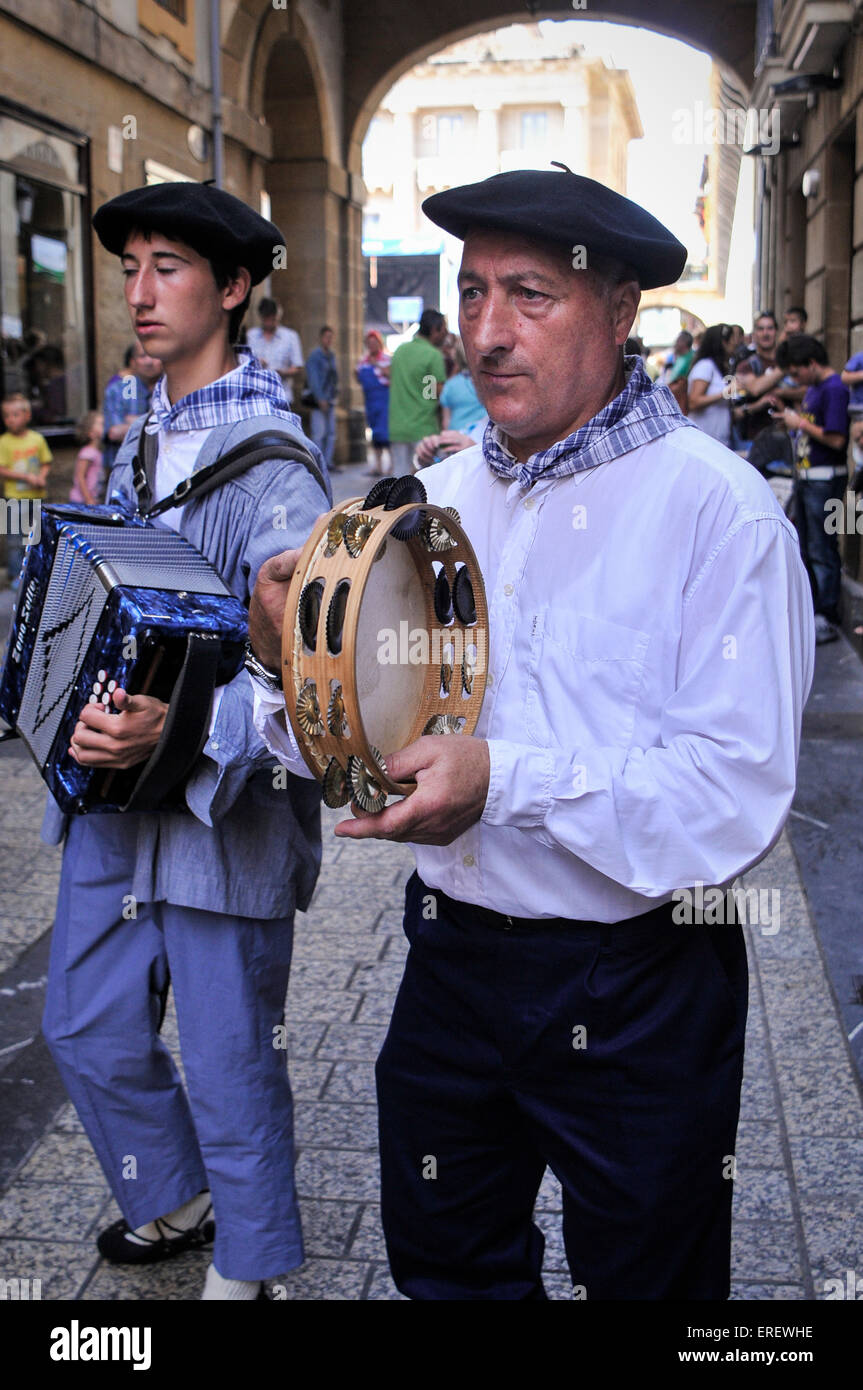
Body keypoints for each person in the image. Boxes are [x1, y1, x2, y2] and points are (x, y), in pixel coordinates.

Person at [247, 166, 814, 1301]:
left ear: (617, 313)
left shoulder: (719, 510)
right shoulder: (434, 499)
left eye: (529, 296)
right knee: (448, 1264)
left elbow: (729, 797)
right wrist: (283, 655)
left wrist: (500, 778)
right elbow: (349, 738)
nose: (486, 336)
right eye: (469, 296)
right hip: (451, 961)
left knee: (652, 1279)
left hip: (638, 983)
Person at [40, 181, 330, 1301]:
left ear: (235, 287)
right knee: (84, 1021)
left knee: (225, 1060)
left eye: (168, 266)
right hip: (114, 798)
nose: (140, 290)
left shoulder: (274, 468)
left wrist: (192, 713)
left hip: (224, 815)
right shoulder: (141, 437)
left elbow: (306, 673)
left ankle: (251, 1270)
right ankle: (178, 1191)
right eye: (129, 268)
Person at [774, 333, 850, 645]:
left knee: (822, 548)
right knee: (808, 546)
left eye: (796, 372)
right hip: (810, 478)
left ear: (812, 363)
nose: (795, 379)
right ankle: (815, 610)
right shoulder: (818, 387)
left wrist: (799, 424)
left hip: (824, 479)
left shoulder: (833, 388)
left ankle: (827, 616)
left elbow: (836, 439)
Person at [388, 308, 447, 477]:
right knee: (429, 481)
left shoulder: (400, 351)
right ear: (435, 330)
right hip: (423, 427)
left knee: (399, 481)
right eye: (443, 329)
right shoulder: (432, 355)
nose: (445, 334)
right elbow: (433, 392)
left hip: (397, 426)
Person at [0, 392, 52, 585]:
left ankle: (35, 573)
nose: (10, 420)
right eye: (6, 416)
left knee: (35, 537)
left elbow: (46, 462)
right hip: (13, 498)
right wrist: (25, 477)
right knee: (14, 540)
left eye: (15, 415)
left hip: (36, 496)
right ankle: (16, 576)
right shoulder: (4, 442)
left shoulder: (37, 439)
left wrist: (41, 477)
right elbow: (2, 469)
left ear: (27, 415)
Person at [102, 342, 161, 470]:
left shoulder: (173, 388)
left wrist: (135, 421)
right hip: (126, 471)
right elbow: (114, 433)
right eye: (142, 356)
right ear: (133, 362)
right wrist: (159, 423)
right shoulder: (120, 389)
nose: (149, 362)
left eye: (154, 356)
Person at [246, 297, 304, 407]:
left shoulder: (290, 337)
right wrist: (256, 362)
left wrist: (283, 372)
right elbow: (243, 363)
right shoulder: (251, 336)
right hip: (258, 397)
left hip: (282, 396)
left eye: (272, 319)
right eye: (266, 319)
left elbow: (298, 366)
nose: (269, 323)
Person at [687, 324, 733, 446]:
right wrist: (725, 393)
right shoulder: (705, 366)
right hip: (703, 441)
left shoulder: (721, 367)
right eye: (731, 339)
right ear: (722, 342)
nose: (735, 343)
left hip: (718, 441)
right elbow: (694, 402)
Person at [355, 329, 392, 476]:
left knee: (387, 433)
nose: (371, 345)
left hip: (384, 400)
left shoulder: (386, 359)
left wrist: (376, 364)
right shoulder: (362, 361)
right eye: (369, 343)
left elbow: (390, 375)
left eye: (374, 342)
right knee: (375, 435)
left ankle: (391, 465)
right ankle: (377, 465)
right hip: (371, 402)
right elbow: (358, 377)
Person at [305, 325, 339, 470]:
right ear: (321, 338)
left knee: (331, 432)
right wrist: (320, 398)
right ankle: (318, 463)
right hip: (319, 400)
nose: (329, 340)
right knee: (319, 432)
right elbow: (314, 379)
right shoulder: (315, 356)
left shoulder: (331, 355)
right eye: (326, 337)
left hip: (330, 398)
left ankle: (328, 461)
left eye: (331, 337)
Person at [439, 336, 485, 435]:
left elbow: (446, 421)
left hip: (456, 437)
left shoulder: (450, 385)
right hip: (481, 437)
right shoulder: (487, 382)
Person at [69, 409, 105, 505]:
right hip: (80, 501)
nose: (105, 426)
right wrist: (88, 499)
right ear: (91, 433)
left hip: (92, 500)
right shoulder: (87, 453)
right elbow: (80, 476)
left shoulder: (98, 452)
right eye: (102, 424)